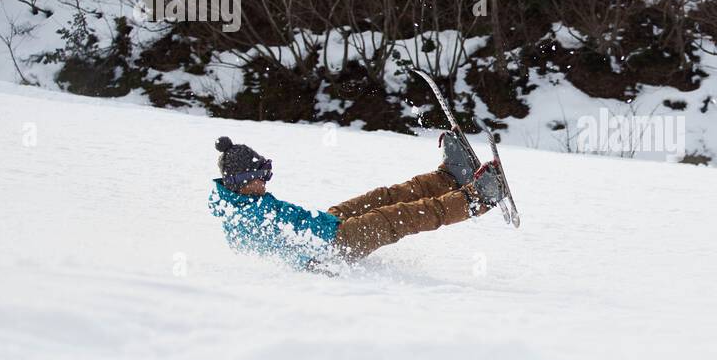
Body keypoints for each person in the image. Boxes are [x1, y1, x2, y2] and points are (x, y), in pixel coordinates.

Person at [208, 134, 505, 269]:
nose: (264, 181)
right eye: (260, 176)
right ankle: (476, 198)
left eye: (266, 173)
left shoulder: (242, 201)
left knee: (380, 197)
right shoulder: (245, 219)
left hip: (324, 226)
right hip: (330, 249)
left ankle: (448, 178)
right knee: (399, 216)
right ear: (240, 181)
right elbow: (278, 257)